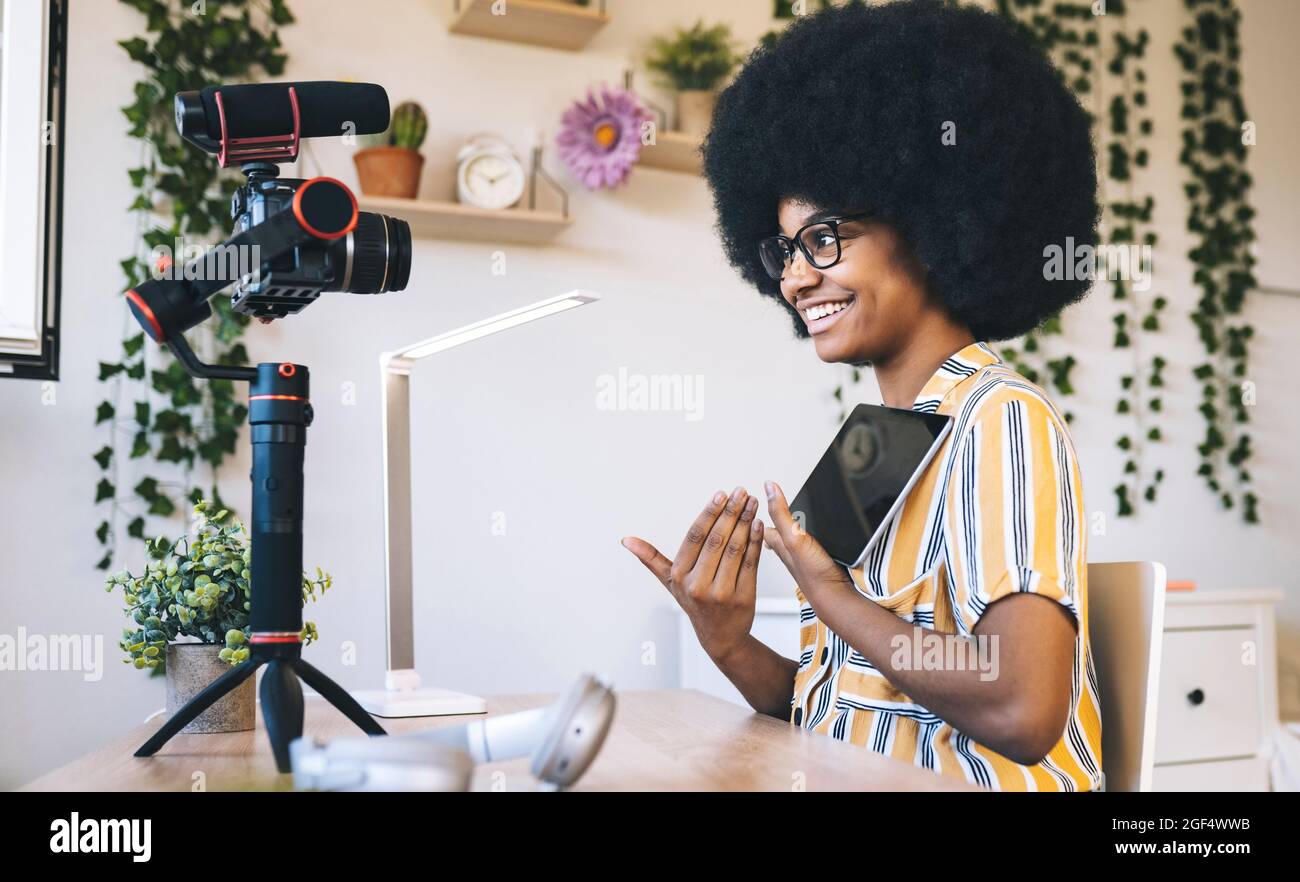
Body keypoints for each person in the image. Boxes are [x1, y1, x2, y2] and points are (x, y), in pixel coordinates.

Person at [622, 0, 1102, 791]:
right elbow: (835, 710)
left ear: (931, 221)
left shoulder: (1001, 420)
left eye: (824, 238)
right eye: (783, 249)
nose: (795, 277)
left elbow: (1024, 708)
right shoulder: (867, 445)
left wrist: (829, 594)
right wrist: (728, 640)